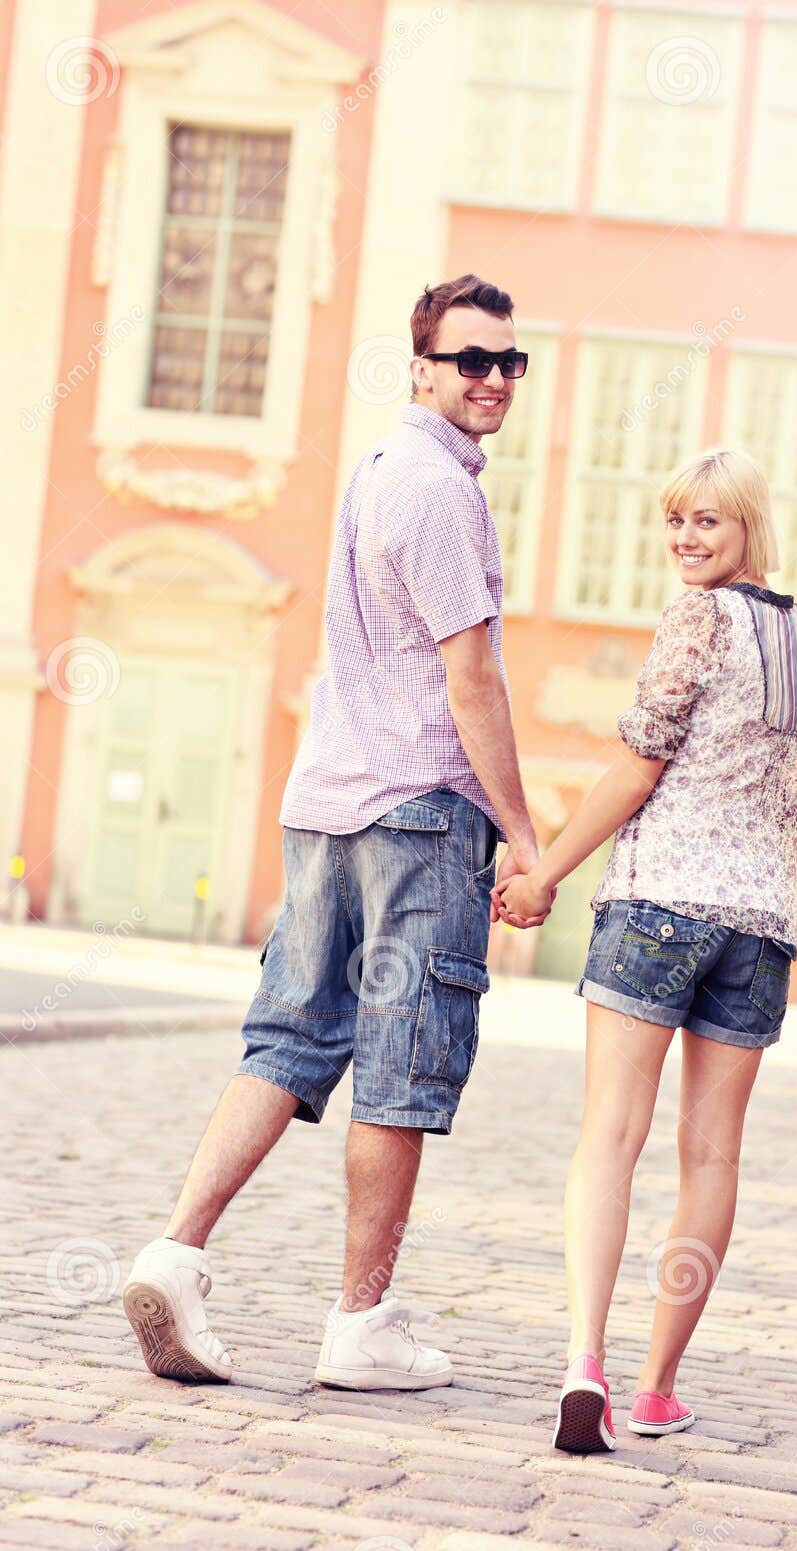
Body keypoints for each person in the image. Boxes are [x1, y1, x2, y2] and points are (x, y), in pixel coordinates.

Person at [123, 274, 549, 1391]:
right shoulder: (442, 494)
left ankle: (173, 1253)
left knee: (288, 1040)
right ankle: (362, 1323)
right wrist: (523, 831)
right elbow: (470, 680)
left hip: (325, 805)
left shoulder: (377, 469)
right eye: (470, 360)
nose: (494, 379)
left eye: (508, 361)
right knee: (402, 1066)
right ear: (421, 368)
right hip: (418, 813)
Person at [498, 446, 797, 1453]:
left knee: (609, 1136)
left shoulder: (697, 619)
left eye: (705, 520)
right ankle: (656, 1388)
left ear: (749, 524)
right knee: (711, 1156)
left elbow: (635, 769)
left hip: (658, 907)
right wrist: (766, 809)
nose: (684, 538)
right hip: (759, 929)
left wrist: (543, 874)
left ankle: (586, 1362)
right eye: (674, 520)